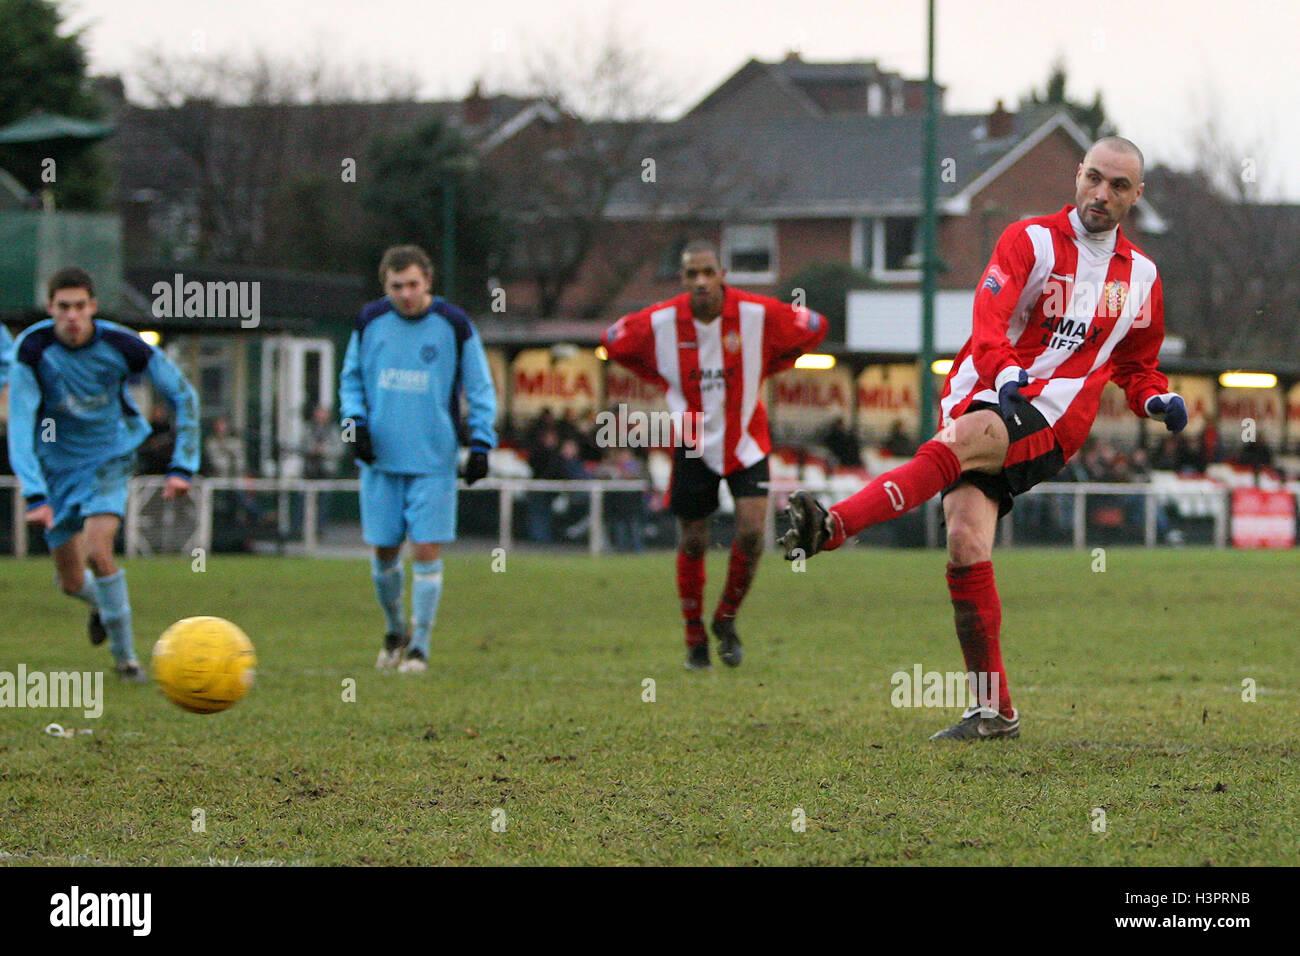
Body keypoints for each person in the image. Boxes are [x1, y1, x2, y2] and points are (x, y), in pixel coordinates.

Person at [780, 137, 1189, 739]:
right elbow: (988, 317)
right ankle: (994, 712)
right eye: (1094, 179)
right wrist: (1004, 374)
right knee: (966, 544)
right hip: (992, 390)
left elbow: (1135, 366)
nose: (1102, 195)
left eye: (1119, 186)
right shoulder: (1028, 240)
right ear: (1078, 174)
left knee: (963, 442)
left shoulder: (1144, 278)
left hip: (1051, 418)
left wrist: (1156, 396)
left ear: (1137, 195)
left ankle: (835, 526)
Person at [602, 239, 827, 670]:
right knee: (693, 539)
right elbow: (612, 341)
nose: (701, 281)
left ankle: (725, 617)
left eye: (708, 272)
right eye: (691, 274)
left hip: (747, 439)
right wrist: (659, 377)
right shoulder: (662, 320)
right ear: (683, 279)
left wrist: (769, 364)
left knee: (750, 533)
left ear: (723, 273)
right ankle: (694, 638)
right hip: (691, 440)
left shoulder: (757, 313)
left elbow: (816, 326)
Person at [7, 267, 199, 680]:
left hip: (110, 461)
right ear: (50, 309)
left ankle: (126, 660)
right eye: (63, 307)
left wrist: (183, 465)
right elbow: (21, 426)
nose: (72, 316)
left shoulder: (123, 344)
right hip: (56, 469)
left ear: (93, 307)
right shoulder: (32, 349)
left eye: (80, 306)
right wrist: (35, 494)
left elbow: (184, 394)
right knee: (71, 582)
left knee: (98, 550)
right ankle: (102, 604)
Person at [339, 244, 497, 674]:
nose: (405, 294)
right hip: (380, 460)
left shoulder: (454, 324)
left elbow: (480, 388)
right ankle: (395, 629)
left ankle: (420, 648)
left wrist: (482, 444)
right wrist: (354, 425)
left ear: (427, 281)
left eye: (412, 284)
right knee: (384, 551)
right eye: (396, 286)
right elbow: (350, 381)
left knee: (425, 548)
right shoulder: (370, 321)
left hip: (433, 460)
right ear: (384, 286)